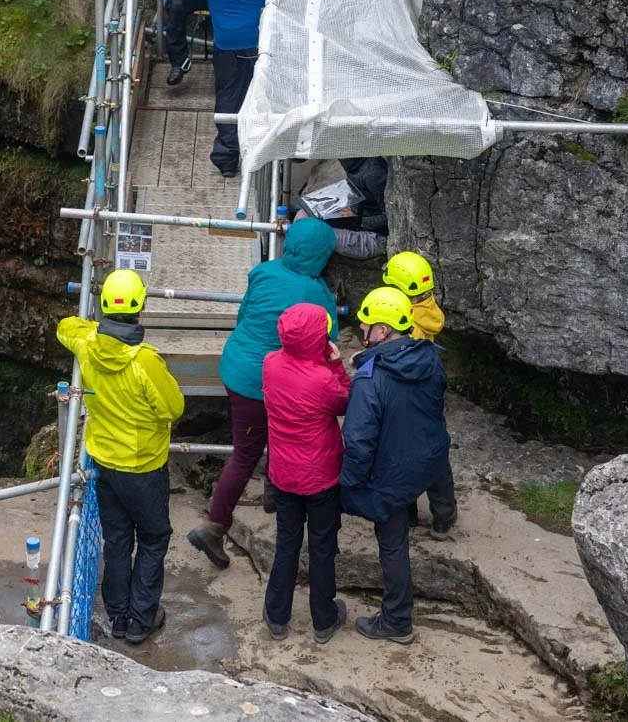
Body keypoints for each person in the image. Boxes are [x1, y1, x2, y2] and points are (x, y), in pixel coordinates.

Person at [187, 218, 338, 568]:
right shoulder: (314, 293)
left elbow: (243, 314)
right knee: (246, 454)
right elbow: (327, 334)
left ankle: (273, 492)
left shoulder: (264, 271)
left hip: (238, 363)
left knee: (271, 431)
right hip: (263, 381)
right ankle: (214, 526)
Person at [56, 268, 185, 644]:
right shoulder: (144, 361)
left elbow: (66, 327)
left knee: (116, 541)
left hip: (104, 462)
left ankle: (118, 617)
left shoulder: (89, 345)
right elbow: (172, 408)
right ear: (141, 306)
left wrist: (90, 328)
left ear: (102, 305)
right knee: (153, 537)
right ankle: (143, 619)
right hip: (144, 466)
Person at [340, 286, 454, 644]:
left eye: (367, 325)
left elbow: (358, 442)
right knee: (402, 507)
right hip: (428, 457)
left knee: (392, 544)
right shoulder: (429, 355)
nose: (362, 330)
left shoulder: (370, 380)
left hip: (392, 469)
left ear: (383, 331)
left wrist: (349, 485)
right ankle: (438, 517)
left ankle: (397, 621)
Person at [261, 303, 351, 643]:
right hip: (321, 476)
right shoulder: (323, 380)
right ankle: (323, 619)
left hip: (283, 473)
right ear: (320, 339)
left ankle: (277, 615)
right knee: (322, 546)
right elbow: (345, 401)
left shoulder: (270, 365)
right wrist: (336, 363)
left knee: (287, 542)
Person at [184, 0, 266, 177]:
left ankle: (227, 158)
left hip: (225, 39)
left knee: (229, 95)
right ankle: (266, 151)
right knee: (262, 92)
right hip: (259, 36)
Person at [382, 252, 457, 538]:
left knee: (401, 456)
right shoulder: (428, 309)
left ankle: (408, 515)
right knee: (436, 458)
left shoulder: (400, 319)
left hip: (402, 397)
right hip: (427, 396)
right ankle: (443, 518)